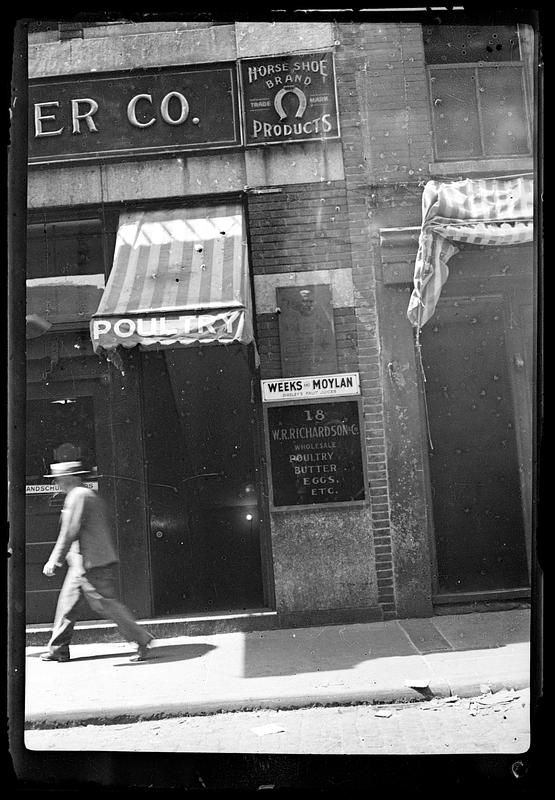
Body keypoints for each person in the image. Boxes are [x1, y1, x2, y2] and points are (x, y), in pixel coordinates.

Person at [41, 461, 155, 663]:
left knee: (106, 605)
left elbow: (69, 531)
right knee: (67, 605)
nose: (57, 482)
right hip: (83, 563)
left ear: (70, 478)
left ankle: (142, 639)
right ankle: (58, 649)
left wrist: (54, 560)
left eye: (58, 478)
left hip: (91, 564)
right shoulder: (84, 494)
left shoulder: (78, 496)